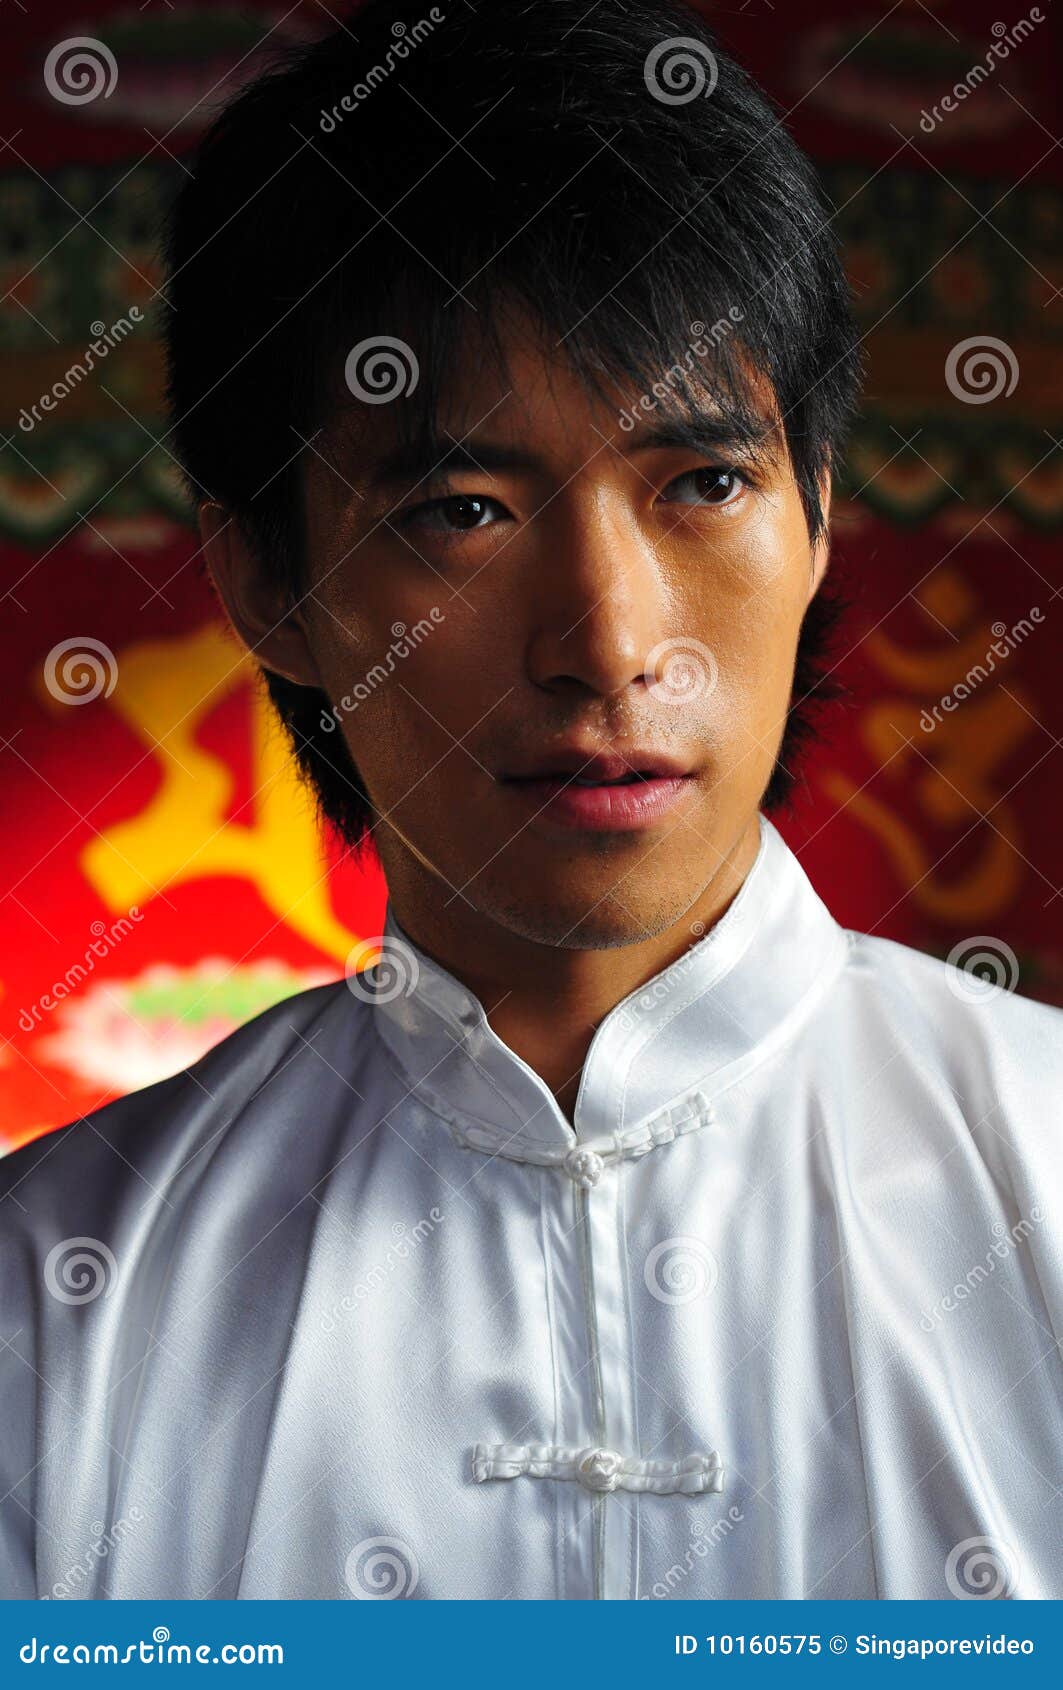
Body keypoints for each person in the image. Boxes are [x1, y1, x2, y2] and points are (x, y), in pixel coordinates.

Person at [2, 0, 1059, 1603]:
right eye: (465, 509)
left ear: (819, 515)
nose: (612, 643)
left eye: (705, 482)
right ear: (268, 581)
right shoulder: (56, 1308)